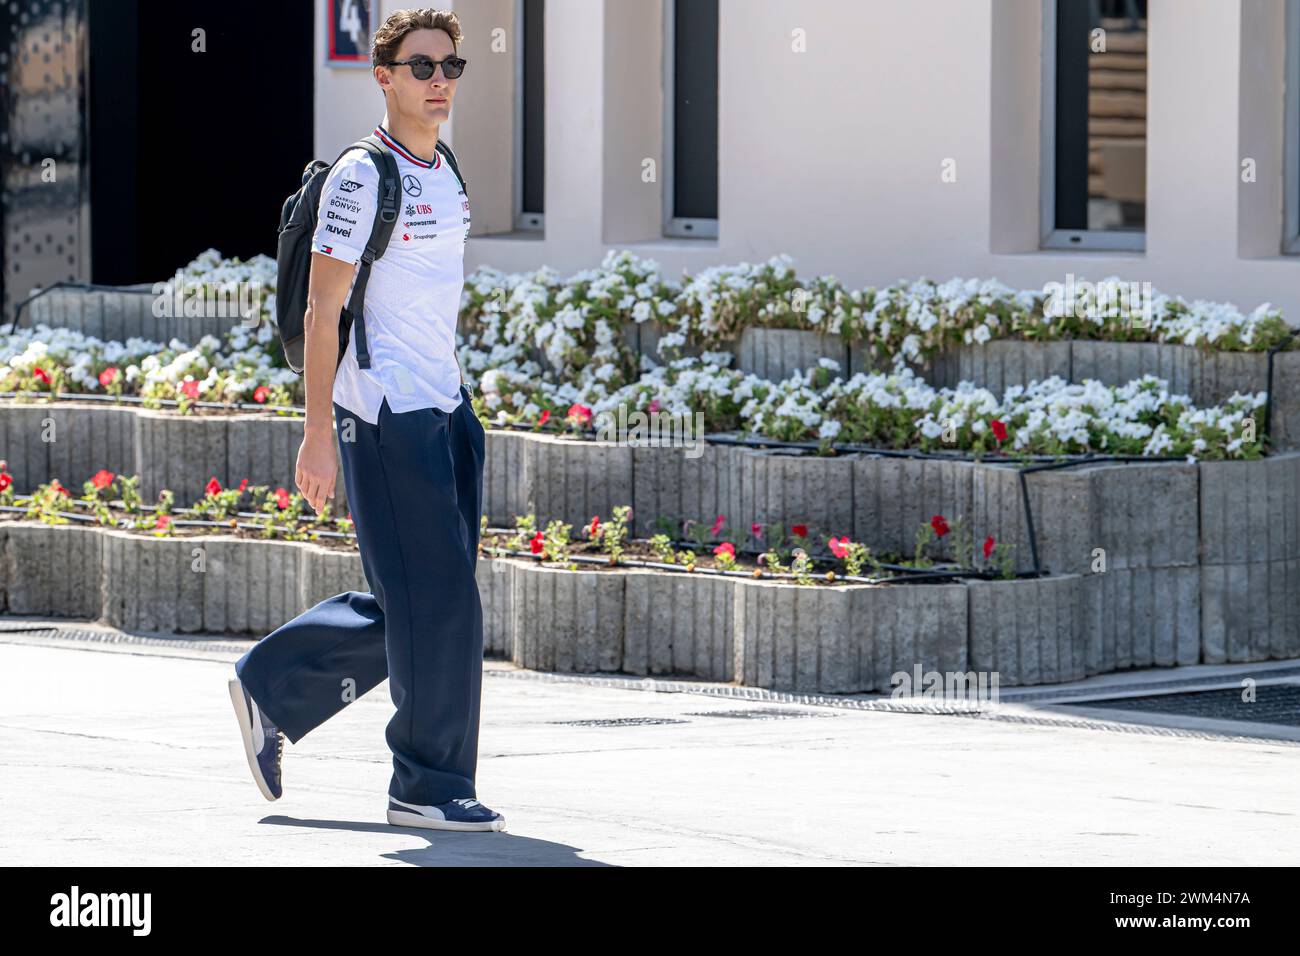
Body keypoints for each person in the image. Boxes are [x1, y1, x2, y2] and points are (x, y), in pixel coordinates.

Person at [227, 8, 502, 832]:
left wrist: (458, 400)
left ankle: (271, 686)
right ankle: (423, 787)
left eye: (451, 67)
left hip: (445, 408)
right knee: (438, 599)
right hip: (382, 417)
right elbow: (322, 312)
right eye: (422, 68)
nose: (440, 81)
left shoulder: (444, 167)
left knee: (425, 597)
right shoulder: (361, 177)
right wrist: (318, 433)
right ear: (383, 77)